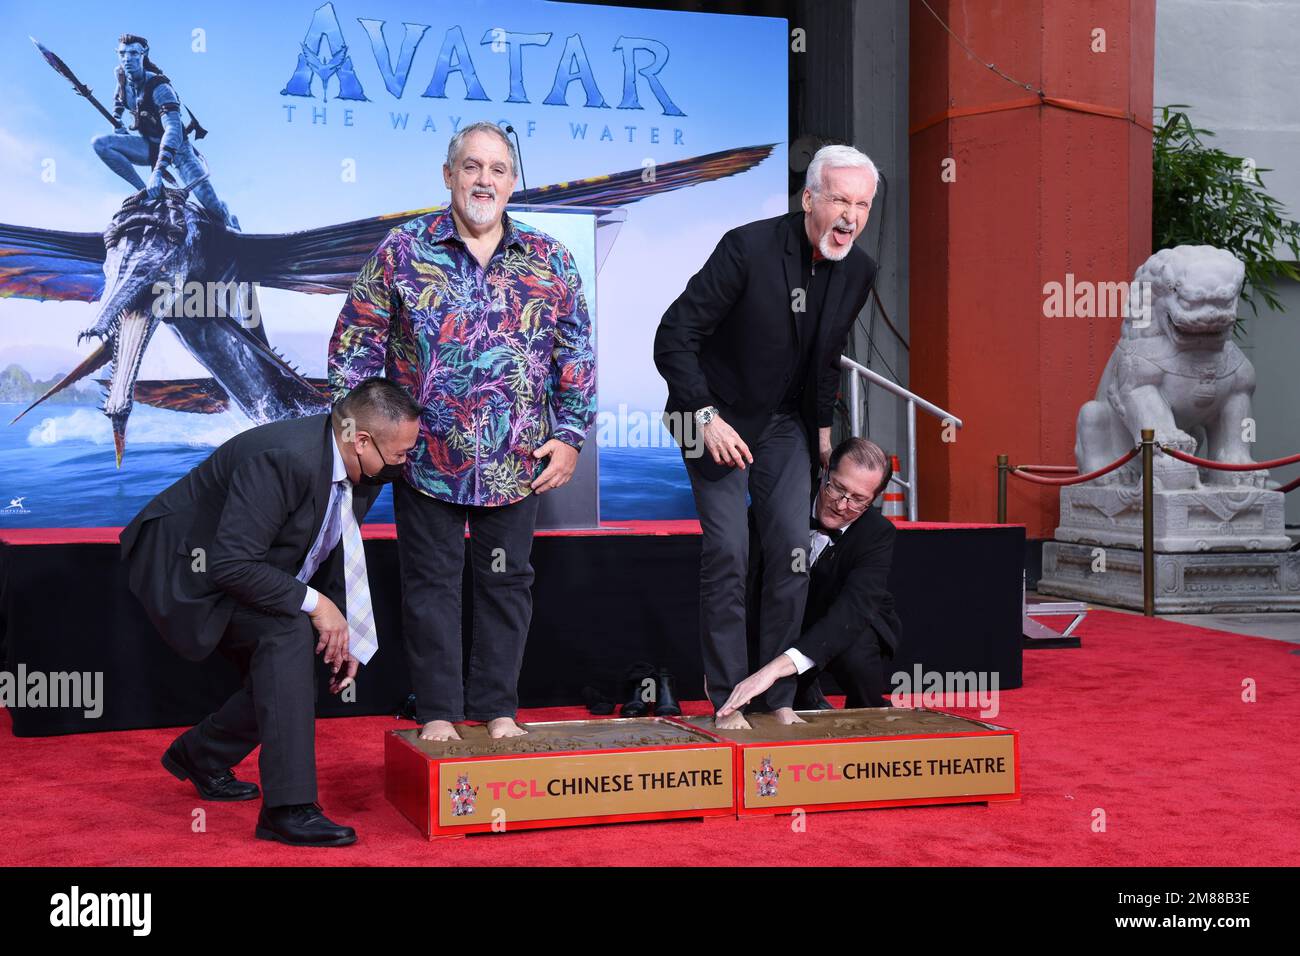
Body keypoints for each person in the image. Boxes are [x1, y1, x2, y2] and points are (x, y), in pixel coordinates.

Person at [328, 121, 596, 742]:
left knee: (508, 586)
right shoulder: (402, 249)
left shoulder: (551, 259)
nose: (485, 180)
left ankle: (499, 709)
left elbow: (575, 354)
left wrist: (571, 434)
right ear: (448, 176)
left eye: (498, 170)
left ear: (513, 182)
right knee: (430, 588)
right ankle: (438, 713)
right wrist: (367, 437)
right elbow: (353, 344)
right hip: (422, 460)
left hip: (517, 460)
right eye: (472, 167)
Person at [120, 378, 422, 846]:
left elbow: (333, 550)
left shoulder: (364, 470)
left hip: (248, 566)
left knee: (314, 648)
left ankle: (200, 755)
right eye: (401, 454)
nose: (405, 464)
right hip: (186, 566)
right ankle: (288, 809)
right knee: (288, 634)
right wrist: (318, 606)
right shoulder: (286, 457)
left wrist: (347, 628)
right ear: (360, 440)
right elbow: (231, 563)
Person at [653, 144, 880, 729]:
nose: (850, 216)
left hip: (784, 426)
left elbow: (827, 356)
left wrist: (824, 433)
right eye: (839, 201)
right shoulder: (746, 248)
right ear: (810, 200)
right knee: (729, 552)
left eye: (862, 204)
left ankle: (776, 693)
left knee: (793, 554)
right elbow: (674, 335)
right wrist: (704, 416)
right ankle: (728, 696)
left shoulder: (859, 269)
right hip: (712, 416)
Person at [719, 437, 901, 719]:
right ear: (826, 471)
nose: (842, 505)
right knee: (762, 709)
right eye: (838, 488)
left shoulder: (877, 534)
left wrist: (775, 669)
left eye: (858, 500)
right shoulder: (780, 503)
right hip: (777, 613)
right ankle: (803, 692)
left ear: (874, 499)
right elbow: (743, 582)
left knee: (858, 652)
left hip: (843, 621)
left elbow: (852, 611)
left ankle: (868, 717)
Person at [91, 34, 240, 230]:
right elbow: (119, 100)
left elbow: (173, 129)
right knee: (100, 144)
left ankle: (229, 221)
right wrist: (117, 122)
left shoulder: (160, 86)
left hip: (179, 150)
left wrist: (158, 172)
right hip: (149, 145)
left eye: (134, 53)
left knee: (213, 209)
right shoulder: (121, 78)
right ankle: (146, 193)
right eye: (122, 54)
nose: (127, 58)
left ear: (143, 54)